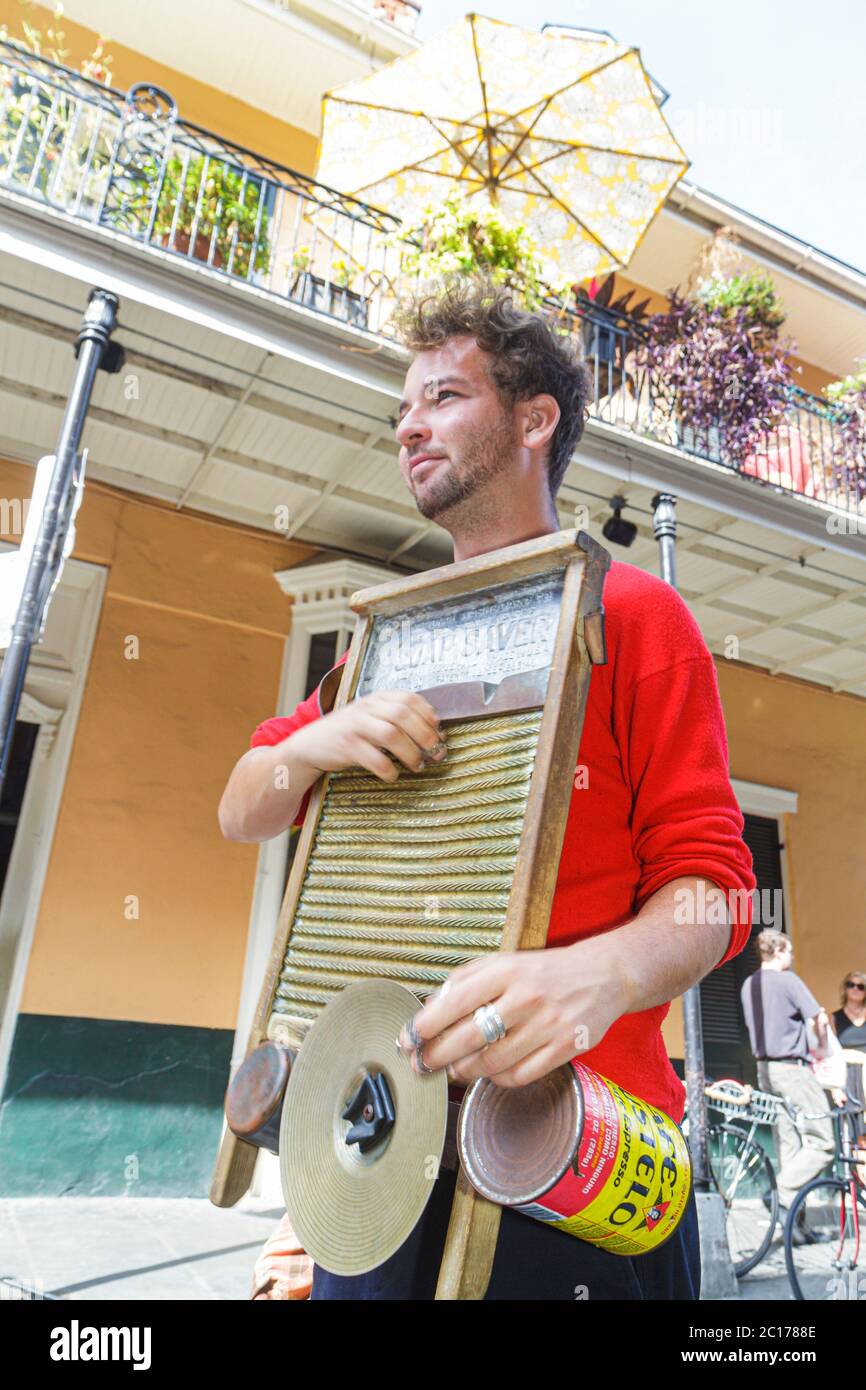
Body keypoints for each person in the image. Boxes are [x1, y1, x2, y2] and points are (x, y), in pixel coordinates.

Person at [219, 275, 756, 1300]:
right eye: (401, 409)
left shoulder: (634, 615)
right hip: (372, 1149)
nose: (407, 427)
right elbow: (243, 804)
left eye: (442, 398)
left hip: (566, 1158)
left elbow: (717, 890)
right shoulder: (381, 646)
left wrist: (587, 978)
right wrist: (321, 739)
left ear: (532, 419)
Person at [739, 929, 836, 1218]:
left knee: (787, 1143)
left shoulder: (748, 985)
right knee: (823, 1141)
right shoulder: (788, 981)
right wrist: (820, 1043)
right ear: (779, 950)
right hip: (792, 1068)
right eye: (790, 952)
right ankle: (780, 1190)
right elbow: (817, 1016)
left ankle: (795, 1224)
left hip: (765, 1070)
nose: (792, 958)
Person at [830, 970, 866, 1146]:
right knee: (853, 1129)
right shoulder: (835, 1018)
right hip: (848, 1074)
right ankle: (858, 1172)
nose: (855, 989)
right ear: (845, 989)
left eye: (861, 986)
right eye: (851, 985)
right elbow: (831, 1050)